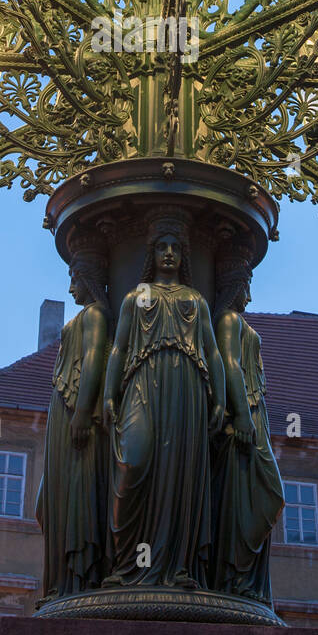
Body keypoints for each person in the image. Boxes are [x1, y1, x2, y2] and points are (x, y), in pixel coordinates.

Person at [102, 215, 225, 589]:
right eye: (161, 247)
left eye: (175, 247)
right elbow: (119, 348)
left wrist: (220, 399)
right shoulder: (135, 298)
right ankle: (128, 566)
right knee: (134, 463)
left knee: (180, 473)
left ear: (183, 254)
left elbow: (214, 353)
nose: (168, 253)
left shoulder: (195, 300)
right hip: (142, 384)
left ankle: (177, 566)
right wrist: (108, 393)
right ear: (151, 253)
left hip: (186, 389)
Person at [36, 252, 110, 601]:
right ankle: (62, 582)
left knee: (78, 491)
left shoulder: (95, 315)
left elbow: (95, 358)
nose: (71, 286)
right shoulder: (83, 317)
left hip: (77, 411)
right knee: (54, 500)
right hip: (63, 408)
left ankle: (79, 578)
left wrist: (83, 411)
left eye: (76, 278)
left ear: (90, 279)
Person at [209, 262, 284, 604]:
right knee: (262, 493)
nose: (247, 290)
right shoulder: (227, 320)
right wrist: (240, 415)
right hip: (243, 420)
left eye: (248, 282)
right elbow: (230, 364)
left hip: (255, 414)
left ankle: (244, 581)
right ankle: (234, 576)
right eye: (243, 282)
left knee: (261, 494)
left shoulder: (238, 322)